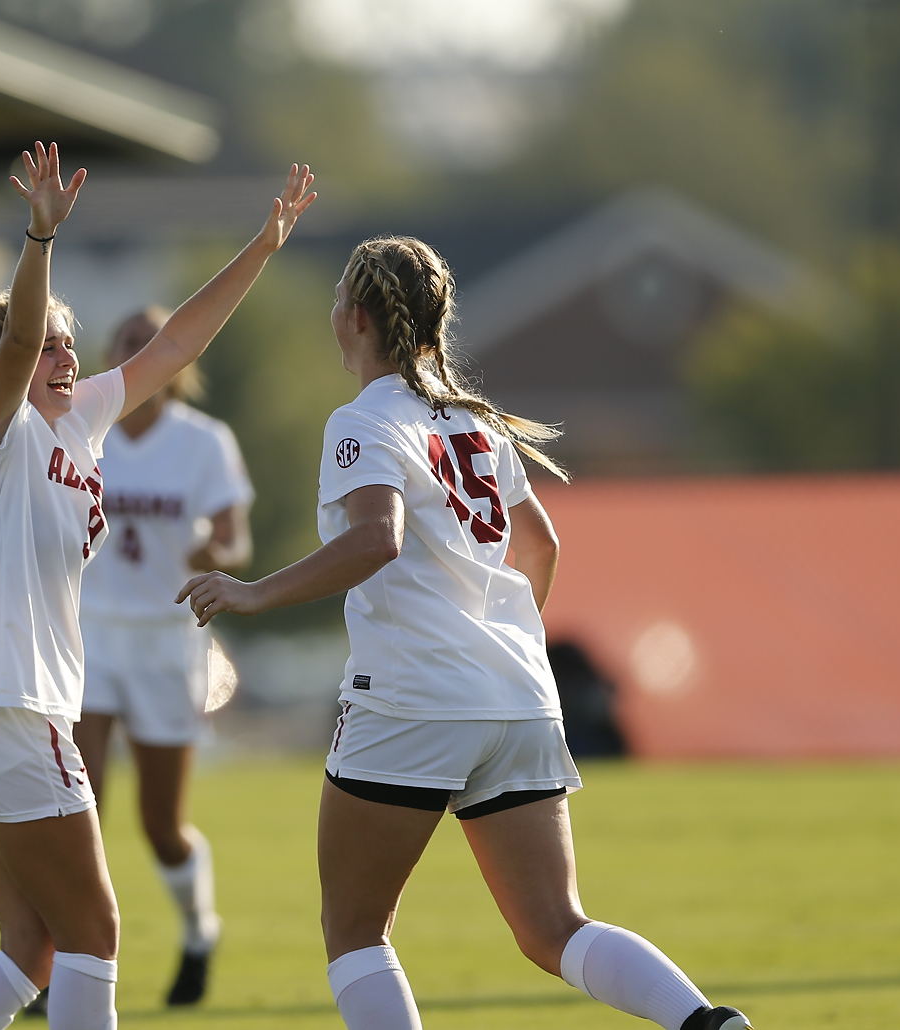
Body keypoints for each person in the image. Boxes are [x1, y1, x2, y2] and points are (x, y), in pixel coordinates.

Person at [177, 236, 752, 1030]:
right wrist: (499, 651)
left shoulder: (361, 421)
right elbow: (541, 543)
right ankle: (706, 1023)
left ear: (357, 317)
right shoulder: (473, 421)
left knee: (354, 932)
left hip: (412, 700)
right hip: (517, 693)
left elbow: (375, 539)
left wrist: (252, 594)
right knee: (556, 928)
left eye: (341, 295)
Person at [0, 142, 314, 1030]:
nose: (64, 355)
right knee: (95, 929)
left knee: (29, 949)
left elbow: (178, 341)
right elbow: (17, 337)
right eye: (51, 346)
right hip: (14, 707)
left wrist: (263, 246)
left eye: (70, 342)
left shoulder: (82, 421)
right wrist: (38, 237)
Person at [76, 307, 254, 1006]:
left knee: (160, 826)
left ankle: (197, 930)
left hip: (167, 638)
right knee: (77, 807)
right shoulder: (85, 427)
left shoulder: (204, 442)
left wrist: (216, 552)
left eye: (153, 340)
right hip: (90, 633)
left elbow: (236, 541)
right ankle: (58, 958)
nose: (140, 351)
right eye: (126, 340)